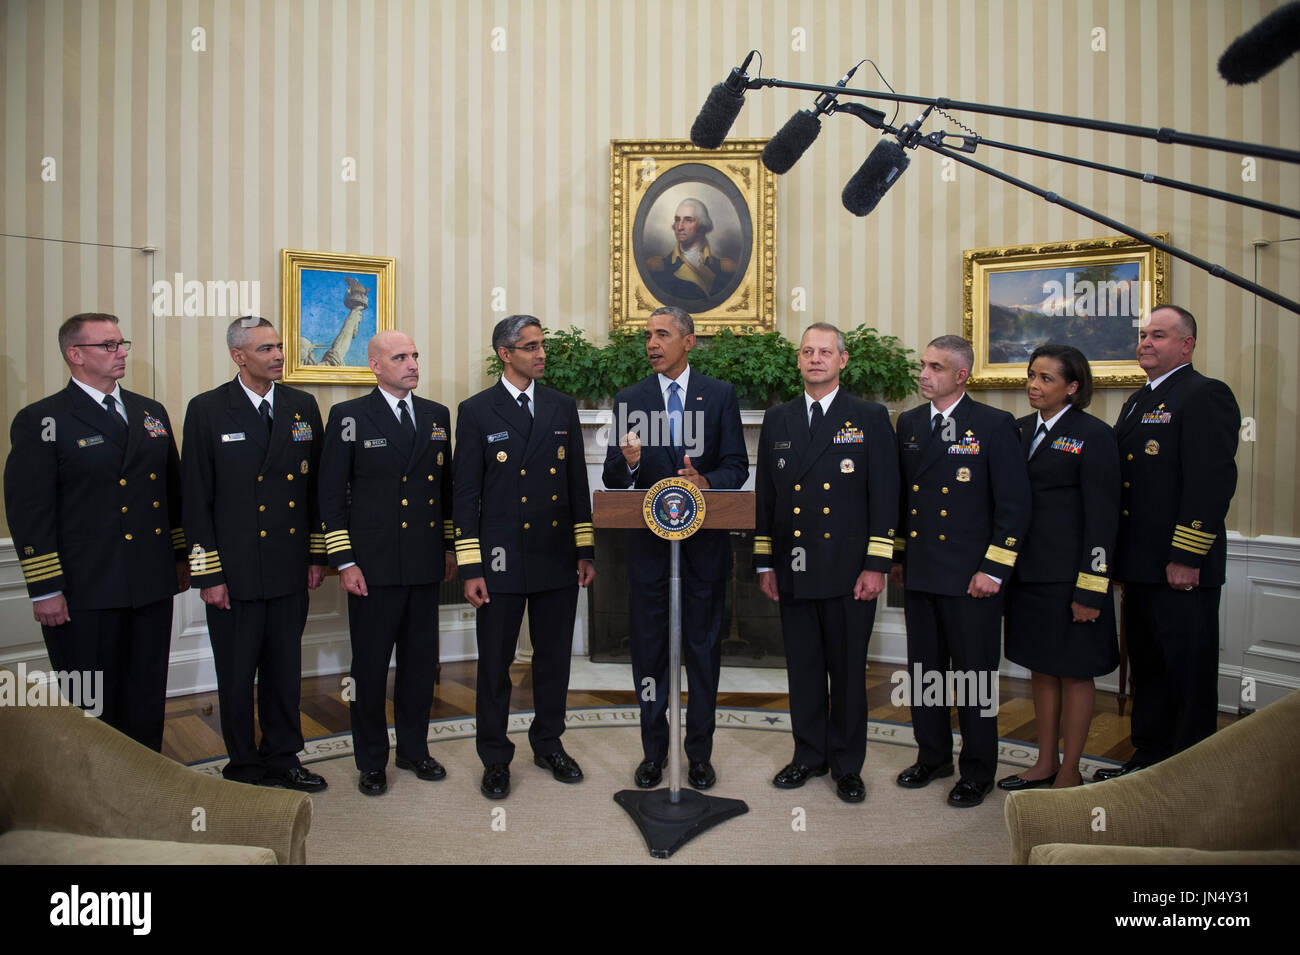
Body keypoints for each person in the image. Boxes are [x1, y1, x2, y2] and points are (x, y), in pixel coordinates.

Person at [3, 312, 188, 751]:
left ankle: (147, 786)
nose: (121, 352)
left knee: (146, 694)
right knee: (92, 704)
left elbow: (173, 493)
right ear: (75, 354)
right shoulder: (43, 420)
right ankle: (97, 799)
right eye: (108, 345)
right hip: (84, 588)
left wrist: (180, 559)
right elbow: (30, 511)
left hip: (149, 581)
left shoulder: (150, 412)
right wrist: (44, 588)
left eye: (122, 343)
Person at [601, 305, 748, 790]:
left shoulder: (720, 395)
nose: (651, 344)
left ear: (688, 341)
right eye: (647, 335)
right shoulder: (631, 398)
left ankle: (699, 755)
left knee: (703, 653)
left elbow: (737, 466)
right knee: (649, 655)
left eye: (662, 334)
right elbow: (612, 478)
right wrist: (628, 462)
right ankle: (653, 753)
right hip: (648, 555)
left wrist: (705, 480)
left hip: (703, 553)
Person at [181, 316, 329, 792]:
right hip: (235, 571)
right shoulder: (207, 409)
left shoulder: (302, 405)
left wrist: (315, 556)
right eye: (266, 349)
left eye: (280, 346)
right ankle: (243, 765)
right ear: (238, 356)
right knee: (238, 673)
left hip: (288, 564)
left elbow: (315, 493)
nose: (279, 355)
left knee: (285, 668)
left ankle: (284, 756)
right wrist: (208, 576)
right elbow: (195, 500)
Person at [753, 323, 899, 803]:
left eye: (825, 352)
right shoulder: (779, 418)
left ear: (843, 359)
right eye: (807, 351)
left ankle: (847, 765)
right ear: (798, 360)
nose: (815, 358)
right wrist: (764, 562)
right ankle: (807, 755)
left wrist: (877, 563)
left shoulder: (870, 417)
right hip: (792, 568)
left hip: (848, 570)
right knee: (804, 669)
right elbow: (766, 496)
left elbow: (885, 496)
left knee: (849, 672)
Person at [453, 315, 595, 800]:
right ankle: (494, 757)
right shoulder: (477, 411)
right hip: (499, 561)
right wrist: (470, 566)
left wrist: (585, 549)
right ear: (504, 353)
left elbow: (578, 483)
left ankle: (548, 743)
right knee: (495, 664)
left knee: (553, 660)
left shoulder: (560, 406)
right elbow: (466, 494)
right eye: (530, 347)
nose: (541, 354)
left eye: (542, 345)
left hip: (556, 556)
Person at [1095, 305, 1239, 781]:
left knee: (1186, 671)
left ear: (1187, 344)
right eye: (1143, 334)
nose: (1146, 342)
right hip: (1139, 566)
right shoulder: (1138, 401)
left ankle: (1189, 771)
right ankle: (1148, 759)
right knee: (1149, 670)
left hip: (1179, 568)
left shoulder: (1204, 395)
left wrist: (1186, 556)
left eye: (1159, 335)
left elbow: (1210, 482)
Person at [891, 334, 1030, 807]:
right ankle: (932, 756)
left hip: (973, 578)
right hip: (922, 572)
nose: (924, 374)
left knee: (973, 677)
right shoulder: (909, 423)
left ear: (961, 376)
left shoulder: (993, 425)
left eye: (935, 367)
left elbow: (1013, 507)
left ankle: (977, 769)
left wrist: (994, 569)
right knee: (925, 672)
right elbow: (903, 501)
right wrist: (897, 558)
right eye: (923, 365)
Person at [318, 330, 456, 796]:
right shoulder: (349, 416)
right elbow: (330, 495)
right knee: (370, 670)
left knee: (421, 666)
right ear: (375, 365)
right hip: (371, 569)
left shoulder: (437, 416)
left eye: (415, 355)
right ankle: (372, 760)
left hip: (422, 564)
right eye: (401, 357)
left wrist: (450, 548)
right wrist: (345, 561)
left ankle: (415, 750)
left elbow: (446, 493)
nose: (413, 363)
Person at [998, 344, 1119, 792]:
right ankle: (1044, 761)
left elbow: (1103, 519)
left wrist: (1091, 589)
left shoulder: (1093, 433)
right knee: (1041, 668)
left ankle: (1071, 769)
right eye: (1032, 375)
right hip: (1027, 576)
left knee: (1074, 671)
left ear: (1073, 386)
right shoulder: (1017, 430)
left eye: (1046, 378)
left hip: (1071, 579)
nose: (1034, 384)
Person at [645, 199, 737, 303]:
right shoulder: (656, 267)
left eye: (688, 220)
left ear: (702, 226)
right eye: (677, 220)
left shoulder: (726, 268)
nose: (679, 227)